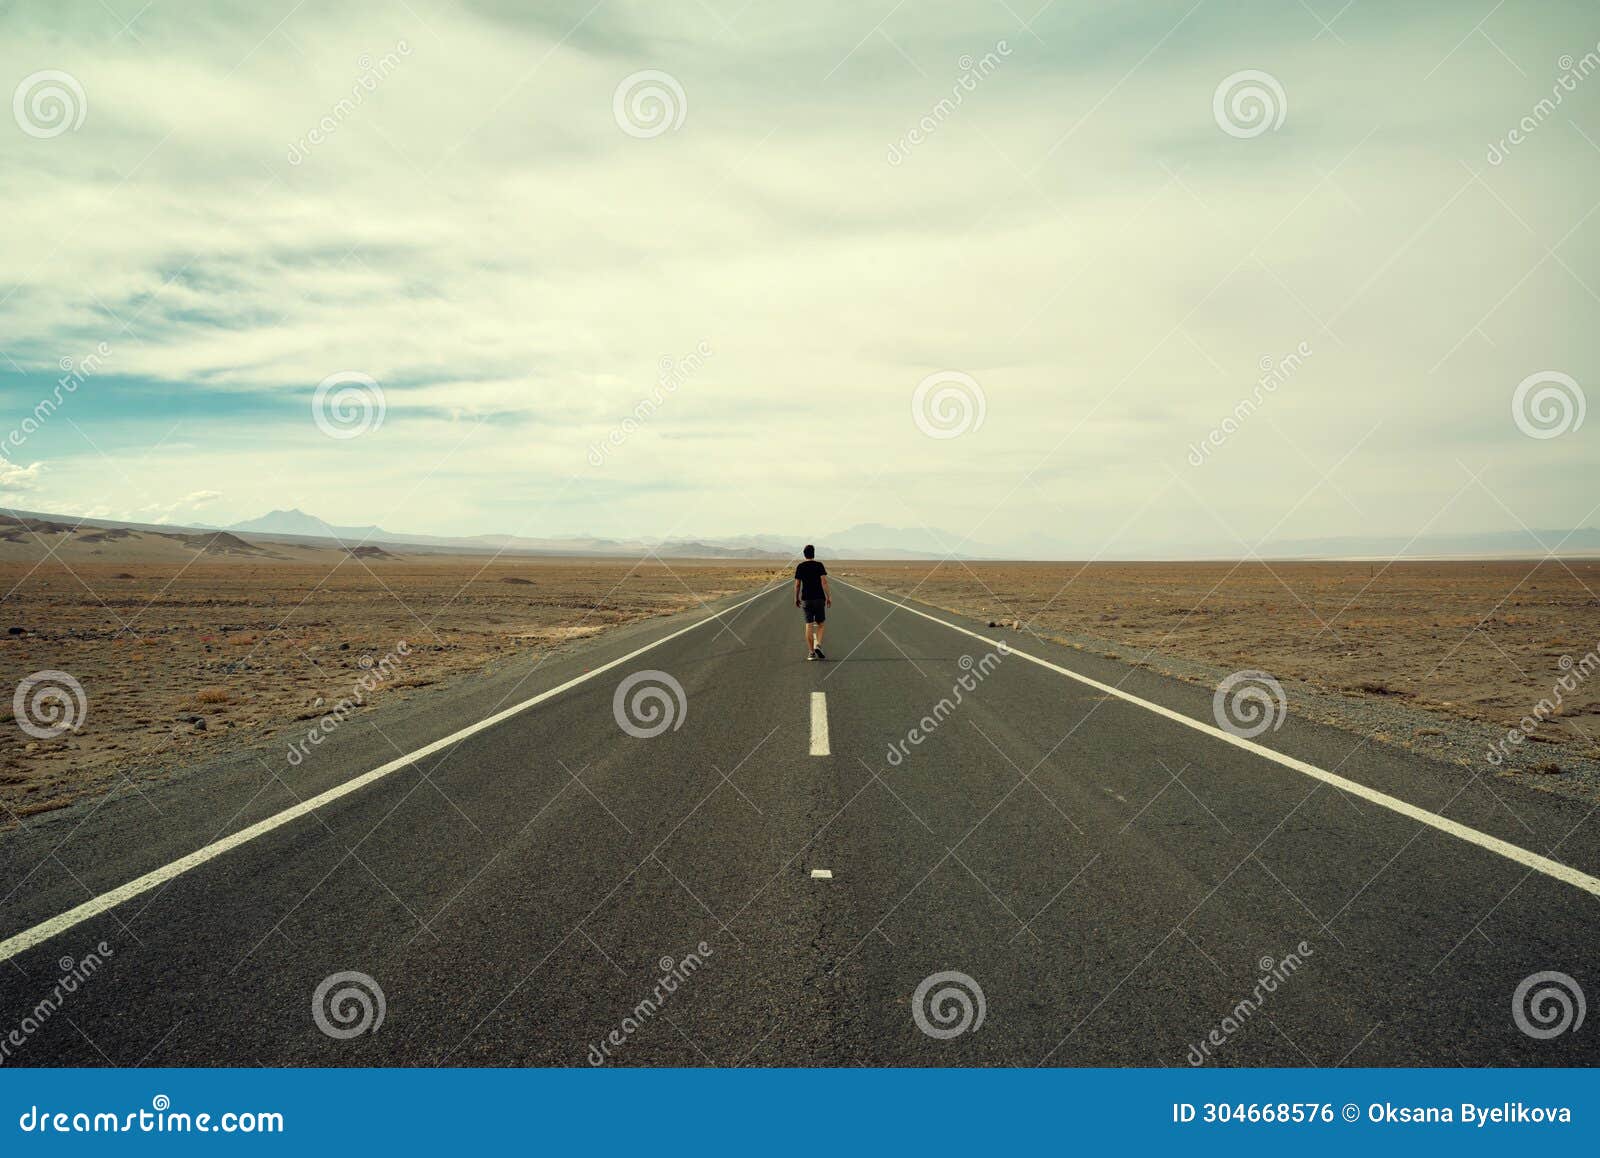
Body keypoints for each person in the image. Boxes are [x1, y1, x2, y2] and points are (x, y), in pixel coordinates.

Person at [793, 544, 831, 661]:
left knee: (808, 624)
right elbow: (824, 582)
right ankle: (818, 645)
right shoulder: (819, 565)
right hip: (819, 598)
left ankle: (811, 652)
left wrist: (796, 597)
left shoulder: (800, 566)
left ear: (804, 555)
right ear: (813, 553)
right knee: (821, 624)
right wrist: (828, 596)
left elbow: (797, 584)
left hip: (806, 599)